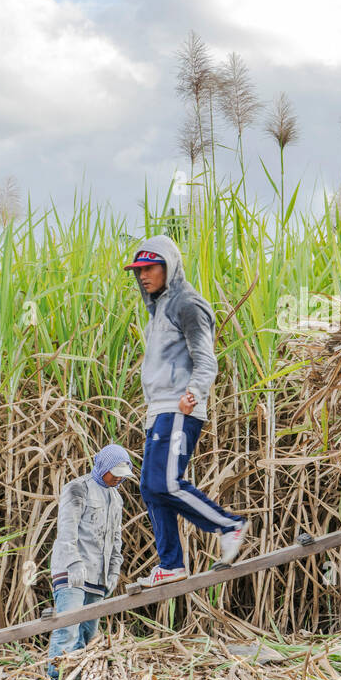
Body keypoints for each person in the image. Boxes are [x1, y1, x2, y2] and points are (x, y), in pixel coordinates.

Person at [124, 234, 249, 588]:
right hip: (159, 410)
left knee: (164, 482)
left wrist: (193, 393)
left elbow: (206, 360)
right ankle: (171, 564)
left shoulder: (188, 304)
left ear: (170, 266)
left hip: (179, 408)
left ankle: (229, 525)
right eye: (138, 270)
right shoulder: (158, 307)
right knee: (151, 489)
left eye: (150, 267)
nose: (143, 275)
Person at [46, 443, 133, 680]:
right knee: (68, 629)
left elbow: (117, 539)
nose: (117, 479)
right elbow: (67, 530)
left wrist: (113, 572)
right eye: (114, 473)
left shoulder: (116, 499)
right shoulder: (78, 488)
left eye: (121, 475)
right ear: (103, 466)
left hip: (98, 577)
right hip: (72, 573)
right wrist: (73, 563)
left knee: (87, 633)